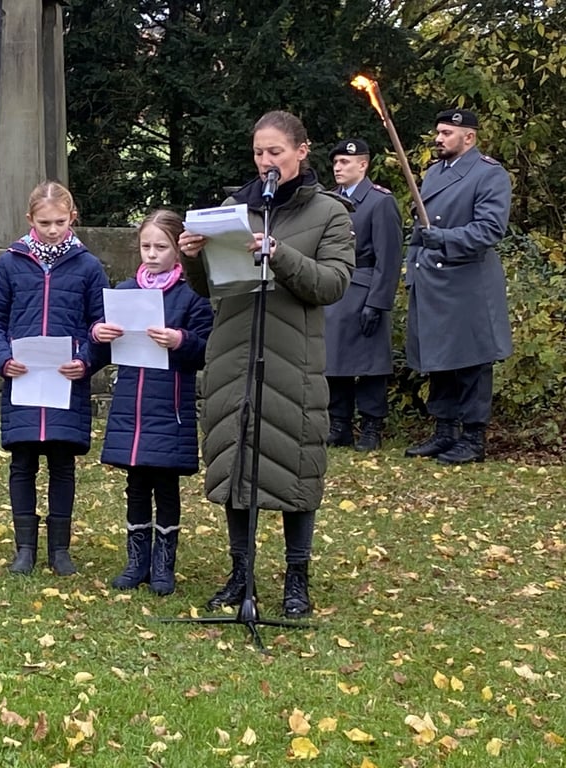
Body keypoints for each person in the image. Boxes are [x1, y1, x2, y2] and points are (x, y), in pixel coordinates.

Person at [178, 110, 354, 619]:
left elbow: (333, 283)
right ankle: (242, 573)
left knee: (295, 462)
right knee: (236, 460)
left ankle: (296, 578)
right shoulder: (236, 208)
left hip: (291, 357)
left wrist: (280, 255)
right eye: (259, 152)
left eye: (275, 151)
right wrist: (193, 256)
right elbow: (208, 285)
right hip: (235, 350)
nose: (265, 161)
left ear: (302, 150)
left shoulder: (330, 213)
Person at [0, 181, 109, 576]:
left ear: (73, 218)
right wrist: (2, 358)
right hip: (25, 380)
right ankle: (24, 547)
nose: (53, 230)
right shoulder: (10, 264)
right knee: (23, 463)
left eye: (61, 222)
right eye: (45, 222)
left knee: (63, 464)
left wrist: (85, 361)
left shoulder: (88, 266)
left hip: (67, 382)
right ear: (30, 220)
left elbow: (102, 326)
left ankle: (60, 549)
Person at [91, 209, 213, 596]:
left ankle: (164, 564)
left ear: (178, 249)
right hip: (132, 405)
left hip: (170, 405)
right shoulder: (125, 290)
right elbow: (101, 342)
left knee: (166, 485)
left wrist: (182, 341)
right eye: (146, 246)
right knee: (136, 484)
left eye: (161, 246)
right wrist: (98, 333)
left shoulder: (192, 295)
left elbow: (207, 348)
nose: (152, 253)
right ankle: (135, 561)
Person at [404, 108, 512, 465]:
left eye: (447, 133)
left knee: (472, 363)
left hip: (467, 281)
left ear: (469, 137)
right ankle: (444, 431)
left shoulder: (488, 174)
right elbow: (419, 232)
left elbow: (490, 230)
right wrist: (412, 272)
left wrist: (444, 239)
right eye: (438, 132)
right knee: (440, 360)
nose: (439, 138)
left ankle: (473, 437)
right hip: (433, 279)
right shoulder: (434, 173)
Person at [324, 139, 404, 451]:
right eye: (335, 162)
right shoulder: (330, 201)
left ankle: (371, 426)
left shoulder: (379, 201)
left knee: (371, 365)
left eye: (345, 162)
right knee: (334, 362)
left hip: (366, 286)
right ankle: (339, 423)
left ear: (363, 164)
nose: (338, 168)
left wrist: (378, 301)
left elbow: (390, 256)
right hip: (335, 288)